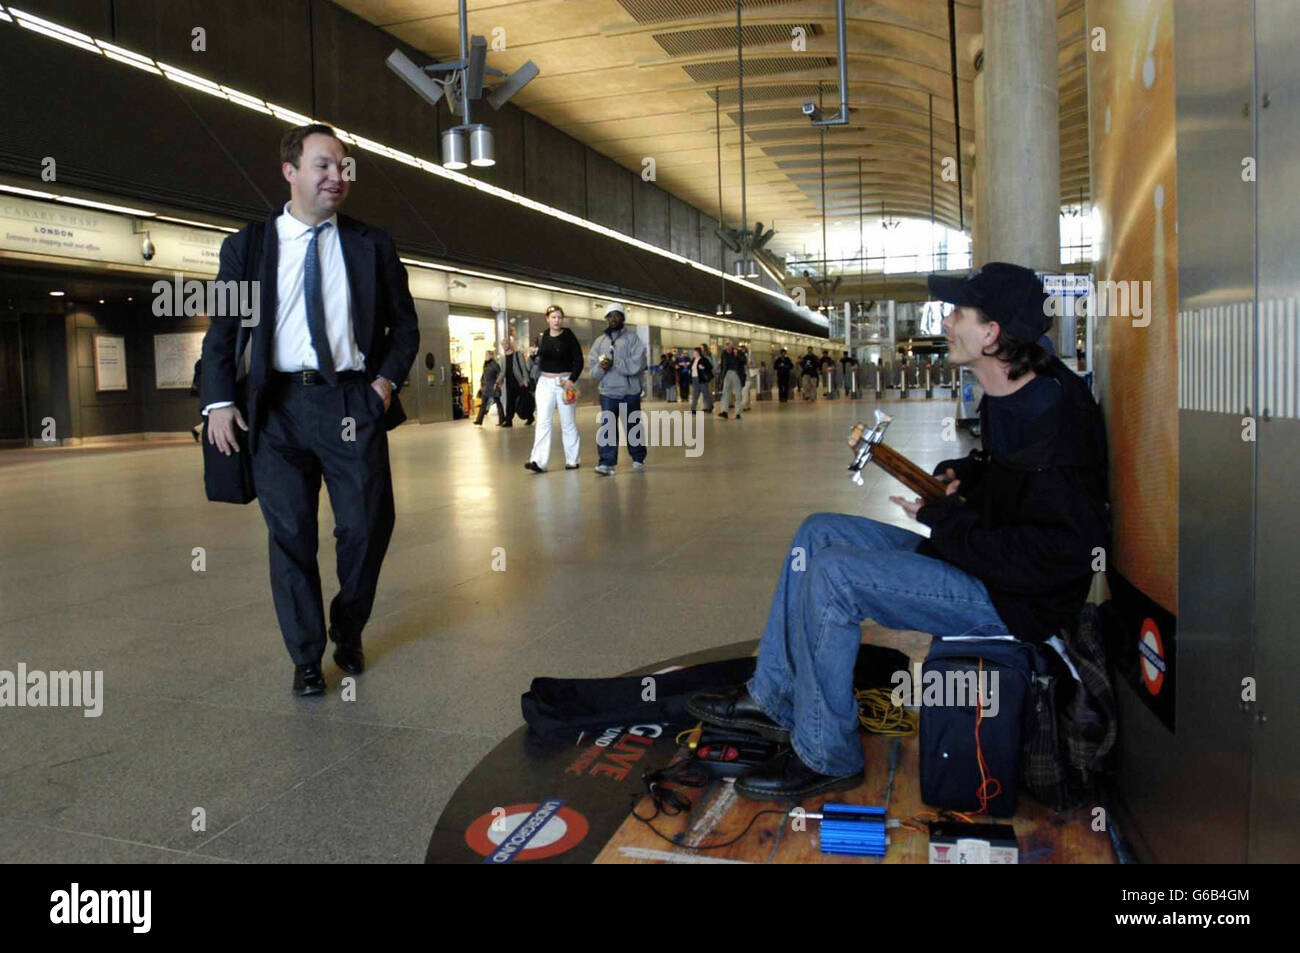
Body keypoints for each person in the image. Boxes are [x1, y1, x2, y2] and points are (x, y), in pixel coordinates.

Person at [686, 263, 1109, 800]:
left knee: (834, 576)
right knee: (817, 533)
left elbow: (1058, 554)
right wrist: (968, 475)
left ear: (992, 333)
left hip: (1017, 600)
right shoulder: (1014, 391)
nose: (946, 322)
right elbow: (1008, 481)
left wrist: (948, 520)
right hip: (977, 561)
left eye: (958, 313)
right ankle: (774, 697)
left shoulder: (1057, 420)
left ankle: (826, 754)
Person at [202, 123, 419, 697]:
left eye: (343, 167)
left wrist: (384, 383)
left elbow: (405, 324)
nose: (336, 177)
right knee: (291, 534)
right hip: (276, 408)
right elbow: (221, 332)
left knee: (368, 526)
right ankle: (304, 656)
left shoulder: (371, 243)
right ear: (290, 171)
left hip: (352, 399)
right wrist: (220, 401)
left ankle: (348, 626)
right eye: (323, 165)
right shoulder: (248, 246)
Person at [591, 302, 648, 475]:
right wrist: (602, 367)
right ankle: (606, 463)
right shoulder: (599, 342)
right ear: (606, 319)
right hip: (608, 392)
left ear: (623, 318)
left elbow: (638, 364)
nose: (614, 318)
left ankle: (638, 457)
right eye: (610, 315)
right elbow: (593, 370)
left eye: (617, 315)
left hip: (630, 392)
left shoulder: (633, 339)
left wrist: (615, 362)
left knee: (633, 425)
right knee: (607, 427)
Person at [525, 305, 583, 472]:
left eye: (559, 317)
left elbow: (578, 359)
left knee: (568, 422)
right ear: (547, 319)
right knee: (543, 421)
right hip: (545, 382)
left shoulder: (568, 335)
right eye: (553, 317)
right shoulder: (542, 337)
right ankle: (538, 461)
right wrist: (533, 354)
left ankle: (572, 460)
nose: (557, 320)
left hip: (565, 382)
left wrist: (572, 380)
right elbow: (537, 360)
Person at [501, 336, 531, 427]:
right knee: (510, 402)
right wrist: (498, 381)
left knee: (522, 402)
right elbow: (502, 371)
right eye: (503, 344)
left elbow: (523, 368)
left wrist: (525, 379)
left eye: (506, 344)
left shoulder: (518, 355)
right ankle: (509, 421)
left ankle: (530, 417)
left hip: (519, 382)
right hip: (509, 383)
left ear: (509, 344)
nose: (505, 346)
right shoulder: (503, 358)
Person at [716, 341, 746, 420]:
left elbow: (744, 361)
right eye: (726, 347)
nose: (728, 349)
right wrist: (721, 376)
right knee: (725, 393)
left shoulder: (738, 352)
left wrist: (737, 356)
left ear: (732, 346)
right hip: (727, 374)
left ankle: (737, 413)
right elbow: (723, 365)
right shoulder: (723, 353)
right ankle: (724, 411)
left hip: (736, 374)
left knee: (738, 394)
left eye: (729, 347)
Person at [473, 349, 503, 426]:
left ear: (491, 356)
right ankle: (479, 420)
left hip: (493, 386)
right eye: (485, 355)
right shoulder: (486, 364)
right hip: (486, 387)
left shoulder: (495, 365)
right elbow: (484, 375)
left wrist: (498, 383)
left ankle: (502, 420)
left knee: (498, 403)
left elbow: (500, 374)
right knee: (483, 404)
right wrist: (482, 383)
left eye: (487, 355)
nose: (485, 356)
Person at [689, 345, 713, 412]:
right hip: (694, 379)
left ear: (698, 352)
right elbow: (691, 369)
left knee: (705, 394)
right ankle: (693, 408)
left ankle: (709, 407)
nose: (693, 353)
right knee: (695, 394)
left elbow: (710, 367)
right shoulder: (693, 360)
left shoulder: (704, 359)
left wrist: (703, 367)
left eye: (694, 352)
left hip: (702, 379)